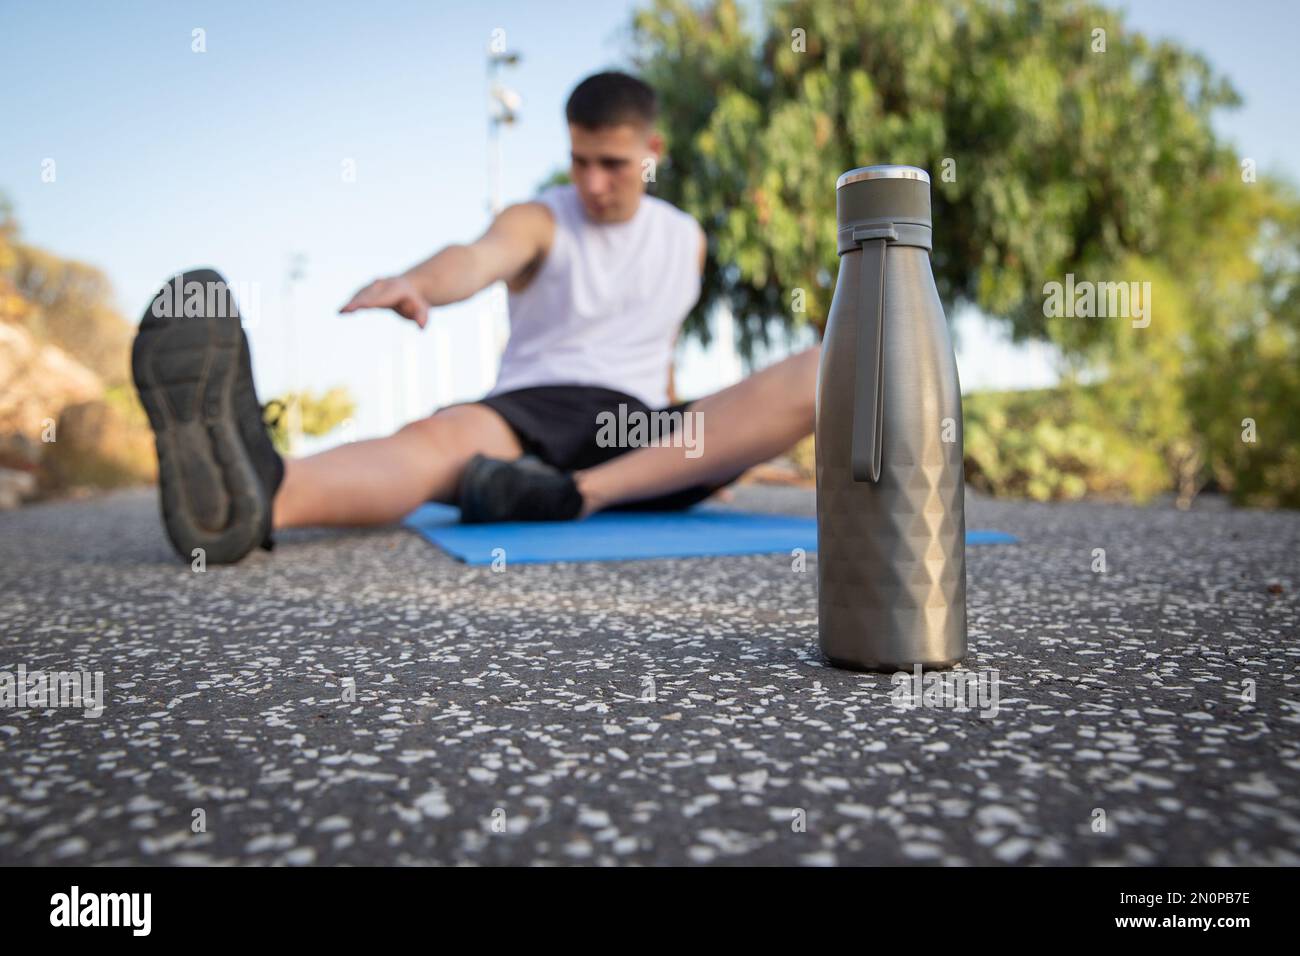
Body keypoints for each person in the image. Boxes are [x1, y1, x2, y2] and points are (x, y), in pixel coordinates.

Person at [132, 71, 819, 564]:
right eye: (579, 160)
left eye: (611, 165)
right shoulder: (541, 218)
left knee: (823, 368)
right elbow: (478, 257)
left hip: (644, 436)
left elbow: (659, 352)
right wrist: (419, 282)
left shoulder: (685, 238)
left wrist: (707, 452)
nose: (590, 183)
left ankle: (575, 495)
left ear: (653, 153)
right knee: (436, 444)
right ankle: (264, 492)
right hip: (538, 411)